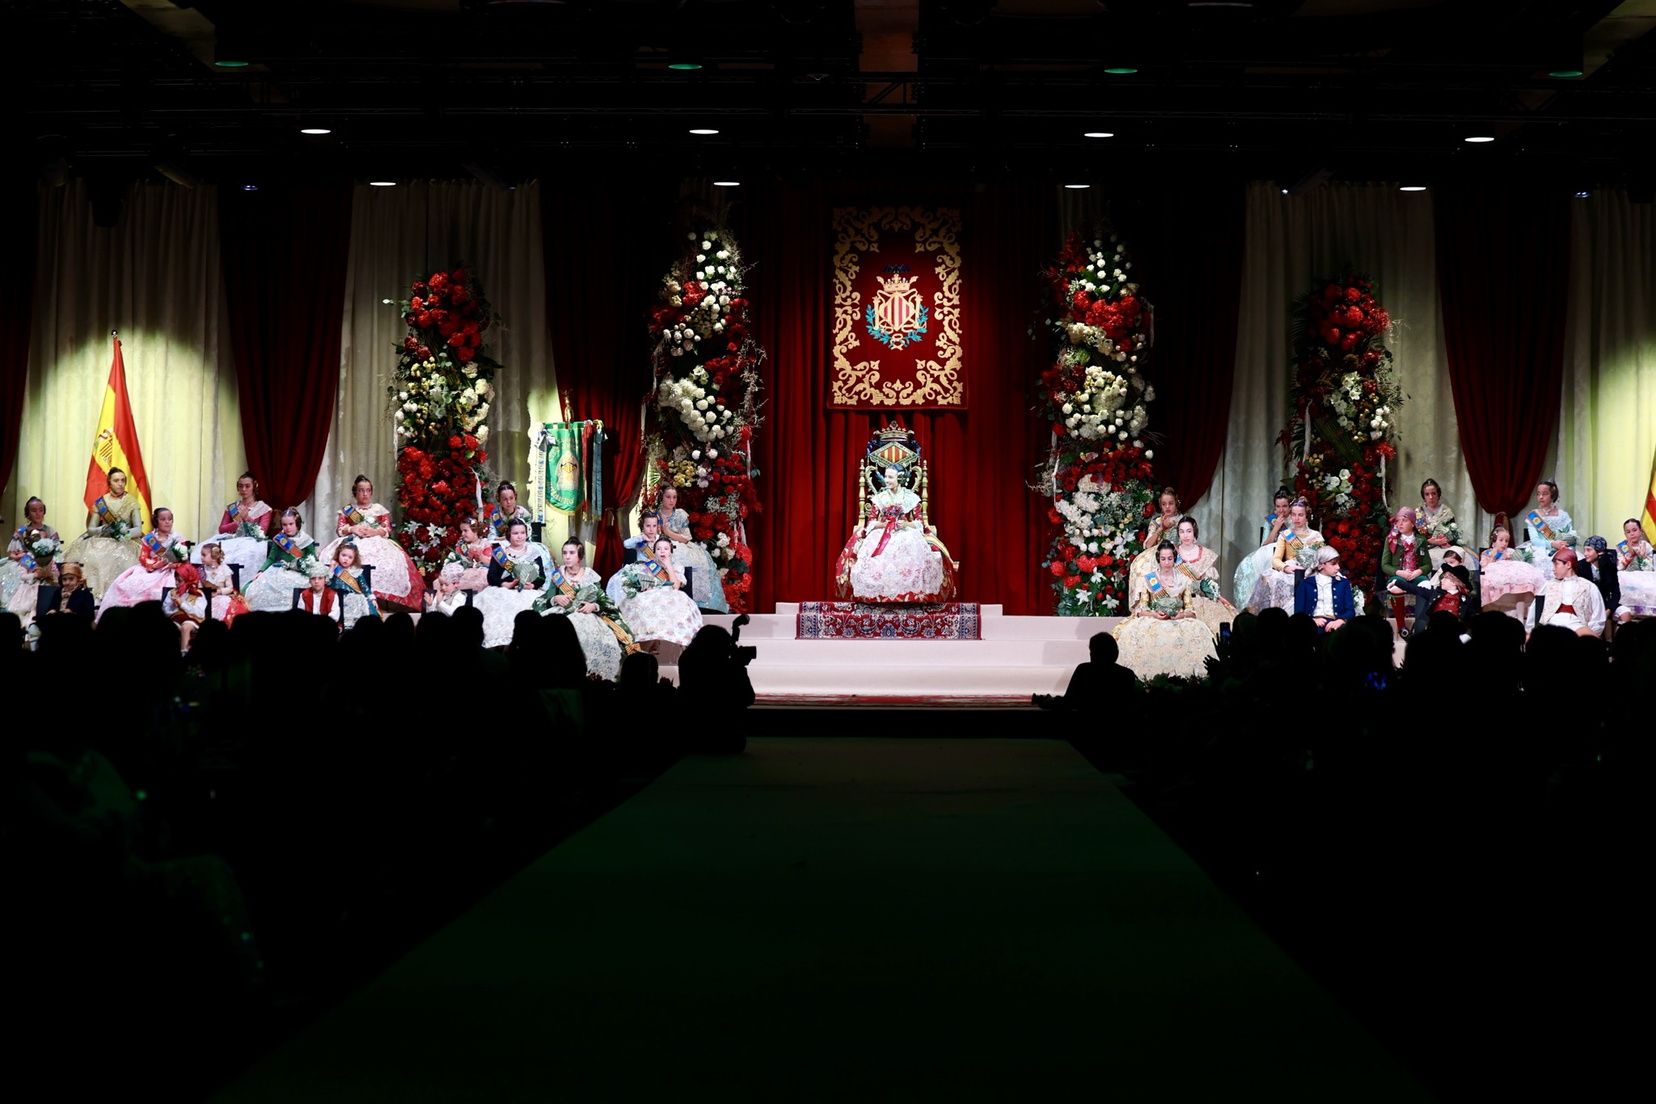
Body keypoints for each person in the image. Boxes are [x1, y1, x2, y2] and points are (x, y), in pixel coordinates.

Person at [835, 464, 958, 603]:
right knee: (875, 554)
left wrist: (906, 524)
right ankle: (878, 596)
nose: (886, 480)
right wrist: (885, 524)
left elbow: (919, 523)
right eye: (885, 476)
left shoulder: (911, 498)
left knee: (910, 551)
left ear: (899, 478)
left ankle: (910, 596)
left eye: (890, 477)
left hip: (906, 532)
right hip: (882, 533)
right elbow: (871, 523)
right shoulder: (880, 498)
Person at [1111, 541, 1217, 678]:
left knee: (1197, 631)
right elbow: (1142, 609)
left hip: (1179, 620)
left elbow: (1190, 610)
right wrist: (1154, 615)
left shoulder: (1184, 580)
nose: (1166, 562)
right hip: (1153, 619)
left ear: (1174, 559)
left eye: (1170, 558)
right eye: (1163, 559)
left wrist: (1180, 615)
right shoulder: (1149, 579)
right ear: (1158, 560)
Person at [318, 475, 425, 611]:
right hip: (352, 541)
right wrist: (352, 528)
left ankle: (375, 601)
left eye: (368, 490)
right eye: (361, 490)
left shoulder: (378, 509)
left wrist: (373, 532)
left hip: (376, 541)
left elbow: (386, 529)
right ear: (355, 492)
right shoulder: (348, 510)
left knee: (388, 564)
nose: (365, 494)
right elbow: (340, 529)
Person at [535, 538, 633, 680]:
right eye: (565, 553)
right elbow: (546, 597)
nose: (567, 557)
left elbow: (603, 599)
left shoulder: (589, 575)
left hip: (586, 614)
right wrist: (555, 599)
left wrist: (593, 606)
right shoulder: (558, 575)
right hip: (561, 615)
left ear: (579, 556)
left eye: (571, 553)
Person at [63, 467, 144, 600]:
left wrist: (123, 533)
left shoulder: (131, 501)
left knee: (120, 558)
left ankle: (116, 597)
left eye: (123, 480)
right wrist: (104, 529)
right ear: (109, 483)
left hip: (126, 542)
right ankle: (94, 597)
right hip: (103, 539)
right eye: (116, 480)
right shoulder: (101, 503)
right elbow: (91, 529)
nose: (120, 483)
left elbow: (138, 530)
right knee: (93, 555)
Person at [98, 507, 187, 620]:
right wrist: (154, 565)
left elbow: (183, 559)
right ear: (156, 521)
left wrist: (172, 564)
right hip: (150, 570)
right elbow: (143, 557)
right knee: (128, 585)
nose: (167, 522)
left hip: (170, 571)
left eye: (170, 519)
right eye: (163, 519)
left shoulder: (178, 538)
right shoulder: (149, 538)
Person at [619, 536, 702, 652]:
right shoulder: (647, 566)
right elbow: (643, 586)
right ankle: (646, 643)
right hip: (650, 595)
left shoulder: (677, 566)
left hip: (669, 595)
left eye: (666, 549)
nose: (662, 551)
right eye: (658, 549)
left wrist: (668, 565)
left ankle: (659, 642)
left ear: (671, 551)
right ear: (654, 551)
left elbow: (675, 586)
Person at [474, 519, 548, 649]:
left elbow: (541, 577)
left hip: (527, 591)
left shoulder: (534, 553)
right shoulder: (499, 552)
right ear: (509, 534)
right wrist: (504, 584)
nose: (519, 536)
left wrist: (533, 585)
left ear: (526, 534)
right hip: (504, 590)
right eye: (515, 533)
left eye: (522, 533)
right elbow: (491, 576)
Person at [656, 485, 729, 613]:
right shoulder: (655, 514)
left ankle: (699, 603)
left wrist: (668, 532)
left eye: (674, 497)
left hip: (680, 543)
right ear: (662, 498)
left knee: (698, 560)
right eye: (668, 497)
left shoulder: (680, 514)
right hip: (661, 545)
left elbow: (686, 538)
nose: (671, 500)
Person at [1248, 498, 1323, 613]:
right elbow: (1276, 560)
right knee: (1269, 577)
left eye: (1300, 515)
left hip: (1310, 571)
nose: (1296, 518)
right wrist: (1286, 567)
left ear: (1306, 516)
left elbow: (1322, 559)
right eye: (1293, 514)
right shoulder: (1285, 535)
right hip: (1289, 571)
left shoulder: (1316, 536)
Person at [194, 472, 276, 576]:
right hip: (232, 539)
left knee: (244, 555)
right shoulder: (232, 507)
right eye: (241, 486)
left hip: (253, 541)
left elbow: (262, 532)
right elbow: (222, 529)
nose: (244, 489)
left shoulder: (263, 508)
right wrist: (238, 522)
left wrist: (247, 517)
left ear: (254, 487)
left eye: (247, 486)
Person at [243, 508, 320, 613]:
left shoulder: (307, 540)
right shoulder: (279, 539)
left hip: (299, 572)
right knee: (260, 587)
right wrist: (261, 571)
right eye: (284, 525)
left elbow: (312, 561)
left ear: (297, 523)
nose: (287, 528)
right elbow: (271, 558)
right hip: (278, 570)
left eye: (291, 524)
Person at [1168, 516, 1234, 636]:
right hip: (1179, 599)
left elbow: (1208, 583)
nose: (1185, 535)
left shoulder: (1206, 554)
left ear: (1195, 532)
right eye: (1181, 532)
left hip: (1202, 599)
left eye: (1189, 531)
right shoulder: (1172, 554)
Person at [1232, 487, 1293, 608]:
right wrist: (1276, 528)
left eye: (1284, 506)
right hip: (1271, 553)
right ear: (1274, 507)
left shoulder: (1295, 519)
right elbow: (1264, 545)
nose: (1281, 510)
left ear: (1290, 506)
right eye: (1278, 506)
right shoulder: (1270, 521)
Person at [1531, 548, 1606, 638]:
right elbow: (1536, 608)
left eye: (1556, 565)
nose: (1553, 569)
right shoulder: (1549, 585)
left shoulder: (1588, 586)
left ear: (1568, 564)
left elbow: (1598, 613)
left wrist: (1591, 633)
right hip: (1552, 625)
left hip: (1577, 626)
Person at [1480, 523, 1545, 623]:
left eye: (1506, 541)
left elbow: (1517, 566)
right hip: (1496, 577)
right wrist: (1493, 557)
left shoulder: (1510, 551)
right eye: (1501, 540)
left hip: (1511, 578)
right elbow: (1485, 568)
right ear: (1494, 541)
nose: (1504, 543)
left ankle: (1520, 618)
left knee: (1521, 586)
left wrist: (1511, 558)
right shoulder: (1487, 553)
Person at [1381, 506, 1432, 633]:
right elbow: (1385, 565)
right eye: (1398, 521)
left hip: (1416, 575)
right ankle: (1401, 626)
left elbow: (1428, 565)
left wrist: (1418, 572)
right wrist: (1400, 572)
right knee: (1396, 587)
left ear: (1413, 523)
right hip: (1398, 575)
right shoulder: (1391, 539)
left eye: (1404, 520)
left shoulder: (1421, 540)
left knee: (1426, 585)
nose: (1400, 524)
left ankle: (1419, 625)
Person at [2, 497, 61, 606]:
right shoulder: (22, 531)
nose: (38, 513)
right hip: (26, 563)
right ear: (28, 513)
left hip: (46, 562)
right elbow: (13, 554)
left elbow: (57, 552)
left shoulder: (50, 530)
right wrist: (30, 562)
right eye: (34, 511)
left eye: (41, 510)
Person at [1294, 545, 1356, 633]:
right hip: (1311, 626)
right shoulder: (1306, 584)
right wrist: (1312, 620)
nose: (1338, 567)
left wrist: (1340, 621)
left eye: (1338, 563)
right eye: (1333, 564)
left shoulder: (1343, 583)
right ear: (1322, 565)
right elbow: (1299, 612)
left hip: (1337, 626)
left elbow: (1350, 610)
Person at [607, 513, 664, 606]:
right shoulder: (639, 540)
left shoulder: (660, 539)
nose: (651, 529)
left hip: (656, 571)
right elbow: (626, 544)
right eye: (648, 526)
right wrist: (640, 538)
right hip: (641, 569)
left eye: (654, 526)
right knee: (620, 580)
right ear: (643, 526)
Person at [1417, 478, 1471, 569]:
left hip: (1444, 547)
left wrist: (1443, 541)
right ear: (1423, 496)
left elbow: (1453, 534)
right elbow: (1415, 536)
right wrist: (1430, 541)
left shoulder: (1446, 512)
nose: (1431, 497)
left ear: (1438, 495)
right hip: (1424, 548)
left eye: (1433, 493)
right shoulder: (1419, 512)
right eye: (1427, 494)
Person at [328, 541, 381, 629]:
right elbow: (327, 583)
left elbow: (364, 587)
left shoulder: (357, 571)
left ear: (354, 559)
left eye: (350, 557)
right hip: (337, 598)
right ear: (338, 554)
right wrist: (331, 569)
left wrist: (372, 599)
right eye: (343, 555)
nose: (346, 559)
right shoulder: (335, 569)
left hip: (353, 598)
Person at [1521, 479, 1577, 561]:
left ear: (1553, 495)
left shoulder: (1563, 515)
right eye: (1538, 494)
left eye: (1545, 494)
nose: (1540, 497)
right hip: (1540, 551)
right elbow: (1535, 540)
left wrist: (1562, 543)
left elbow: (1571, 534)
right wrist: (1552, 544)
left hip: (1562, 548)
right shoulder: (1533, 515)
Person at [1611, 518, 1654, 623]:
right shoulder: (1621, 547)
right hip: (1628, 581)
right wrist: (1630, 556)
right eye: (1628, 532)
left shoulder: (1646, 546)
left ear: (1640, 531)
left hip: (1644, 580)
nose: (1632, 534)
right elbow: (1618, 569)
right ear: (1625, 534)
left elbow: (1650, 569)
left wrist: (1642, 557)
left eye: (1634, 530)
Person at [161, 563, 210, 651]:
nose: (176, 583)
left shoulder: (198, 594)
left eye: (179, 581)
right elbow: (164, 610)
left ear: (188, 580)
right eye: (175, 580)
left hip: (193, 621)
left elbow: (200, 613)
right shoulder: (172, 593)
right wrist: (174, 606)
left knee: (185, 627)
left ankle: (185, 655)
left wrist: (182, 604)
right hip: (175, 620)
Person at [198, 542, 250, 625]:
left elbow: (230, 588)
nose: (201, 557)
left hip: (220, 596)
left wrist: (218, 592)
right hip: (205, 597)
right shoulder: (201, 570)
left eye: (204, 555)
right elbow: (198, 587)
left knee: (224, 604)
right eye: (201, 554)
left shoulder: (224, 569)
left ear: (214, 557)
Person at [447, 517, 493, 591]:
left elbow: (490, 562)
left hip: (480, 572)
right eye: (461, 531)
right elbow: (456, 559)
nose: (462, 534)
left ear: (475, 531)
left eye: (465, 531)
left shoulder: (484, 544)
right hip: (463, 571)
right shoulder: (461, 545)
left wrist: (480, 557)